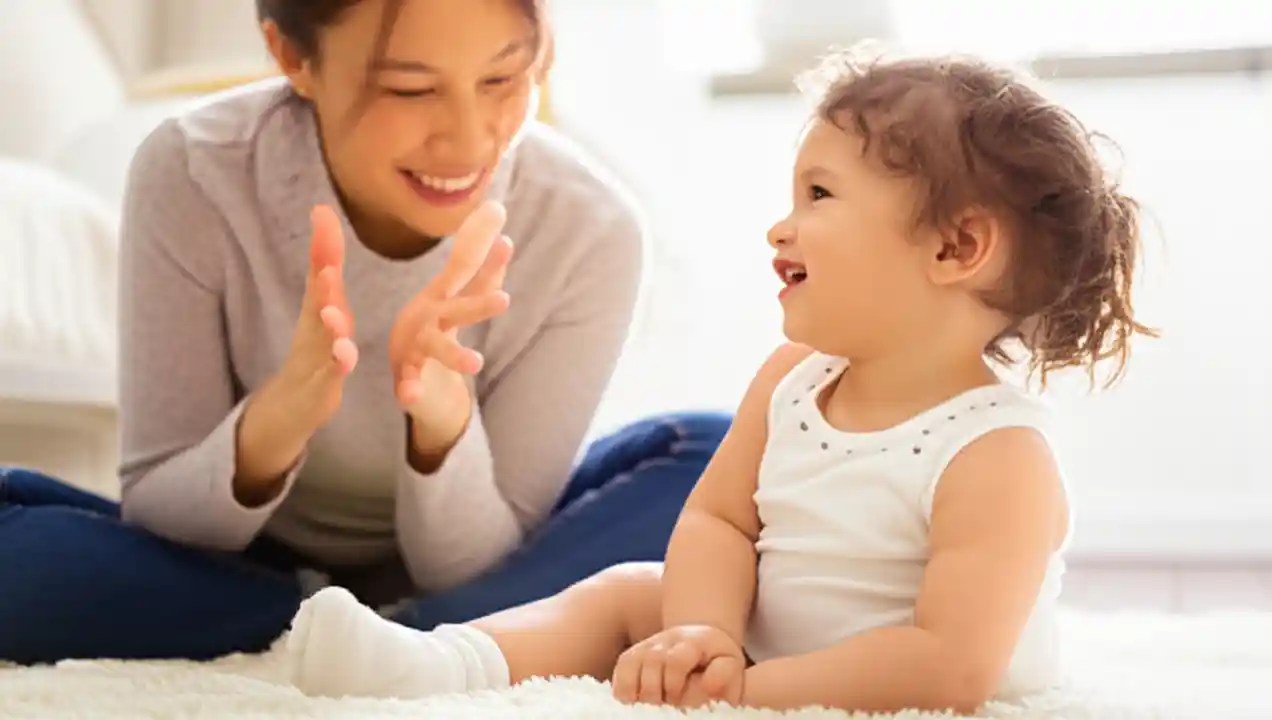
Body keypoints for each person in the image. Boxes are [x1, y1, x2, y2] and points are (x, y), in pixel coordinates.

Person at [282, 45, 1156, 714]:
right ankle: (434, 663)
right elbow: (716, 518)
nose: (781, 228)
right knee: (629, 590)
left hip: (866, 674)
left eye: (819, 195)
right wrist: (702, 629)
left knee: (652, 603)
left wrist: (746, 691)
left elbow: (949, 666)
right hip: (762, 641)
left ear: (953, 247)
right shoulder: (792, 379)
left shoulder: (995, 453)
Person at [0, 0, 731, 664]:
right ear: (292, 58)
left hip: (480, 566)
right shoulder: (192, 173)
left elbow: (480, 559)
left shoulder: (589, 228)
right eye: (410, 89)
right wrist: (276, 422)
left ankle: (391, 643)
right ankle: (375, 637)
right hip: (233, 567)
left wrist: (443, 432)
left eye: (506, 79)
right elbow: (160, 516)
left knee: (718, 462)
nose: (469, 139)